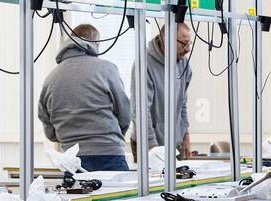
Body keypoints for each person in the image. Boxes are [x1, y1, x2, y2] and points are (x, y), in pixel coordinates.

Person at [38, 24, 133, 171]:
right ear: (95, 44)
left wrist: (69, 139)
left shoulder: (51, 77)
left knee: (78, 194)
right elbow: (125, 112)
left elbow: (47, 122)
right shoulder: (107, 69)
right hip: (109, 154)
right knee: (119, 194)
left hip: (72, 161)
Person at [133, 22, 194, 159]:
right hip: (147, 141)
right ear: (166, 40)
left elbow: (182, 103)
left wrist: (185, 135)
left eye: (189, 43)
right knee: (155, 181)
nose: (188, 49)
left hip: (174, 141)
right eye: (184, 44)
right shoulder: (145, 64)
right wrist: (152, 147)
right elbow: (141, 110)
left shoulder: (183, 64)